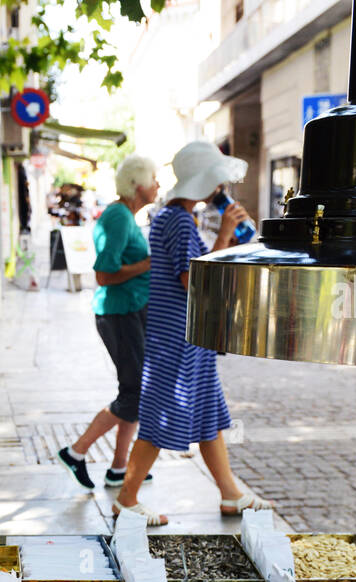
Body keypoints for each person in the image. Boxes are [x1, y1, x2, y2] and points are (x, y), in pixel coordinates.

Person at [115, 141, 272, 526]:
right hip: (178, 339)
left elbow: (195, 266)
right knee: (160, 417)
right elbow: (193, 280)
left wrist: (229, 240)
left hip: (186, 336)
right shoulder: (179, 220)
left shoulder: (171, 217)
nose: (218, 189)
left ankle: (231, 493)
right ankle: (127, 497)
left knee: (209, 415)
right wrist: (226, 233)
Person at [58, 154, 160, 490]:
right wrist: (147, 264)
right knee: (134, 394)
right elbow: (104, 274)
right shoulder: (117, 216)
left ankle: (120, 469)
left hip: (131, 311)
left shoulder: (126, 215)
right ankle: (77, 451)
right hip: (119, 313)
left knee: (136, 392)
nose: (158, 185)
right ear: (137, 185)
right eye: (154, 179)